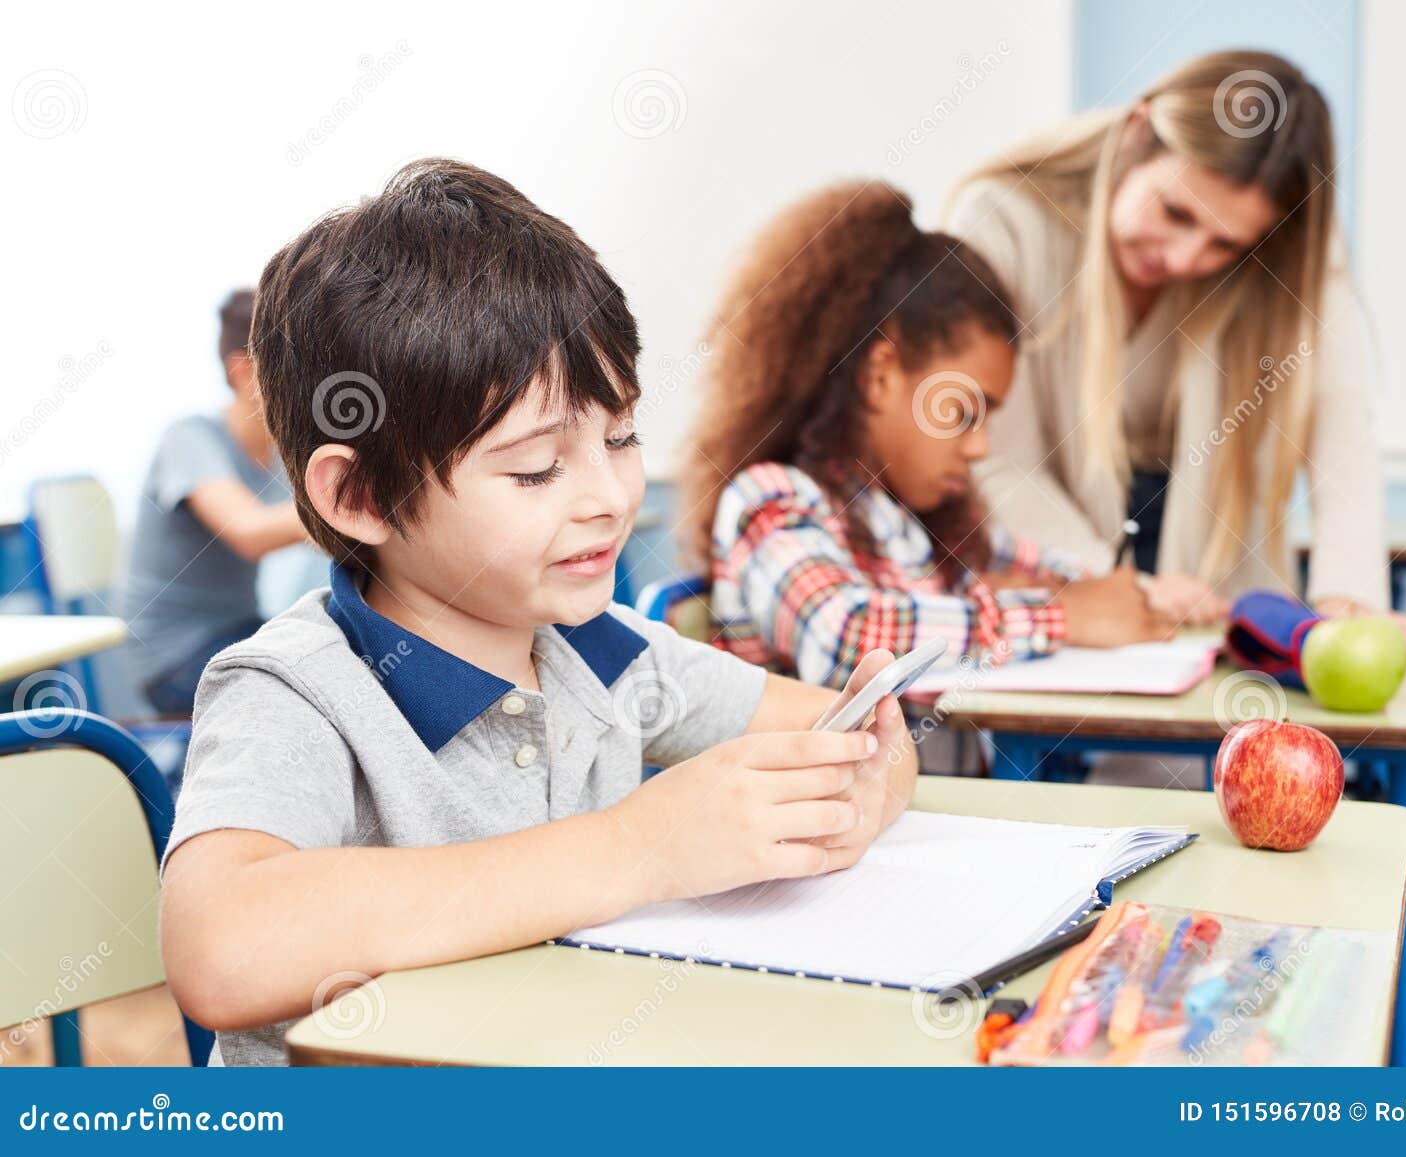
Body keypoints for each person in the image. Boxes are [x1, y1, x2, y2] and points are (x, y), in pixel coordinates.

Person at [158, 159, 917, 1066]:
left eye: (623, 436)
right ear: (357, 494)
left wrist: (859, 794)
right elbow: (223, 947)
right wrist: (637, 847)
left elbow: (842, 729)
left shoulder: (601, 646)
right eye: (535, 469)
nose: (608, 495)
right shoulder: (297, 687)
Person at [945, 49, 1406, 655]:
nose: (1182, 259)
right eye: (1175, 212)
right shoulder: (1002, 220)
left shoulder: (1292, 251)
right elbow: (1000, 460)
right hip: (1049, 542)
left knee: (1211, 731)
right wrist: (1115, 584)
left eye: (1223, 245)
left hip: (1213, 560)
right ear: (1135, 132)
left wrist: (1350, 605)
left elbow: (1341, 435)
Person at [680, 180, 1177, 735]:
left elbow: (1044, 563)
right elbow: (846, 636)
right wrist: (1060, 618)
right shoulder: (771, 500)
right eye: (966, 412)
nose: (981, 446)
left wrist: (1142, 597)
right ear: (882, 375)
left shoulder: (920, 517)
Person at [121, 290, 308, 714]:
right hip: (175, 656)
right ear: (243, 373)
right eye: (293, 362)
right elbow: (250, 533)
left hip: (242, 629)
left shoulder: (282, 451)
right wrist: (355, 505)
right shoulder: (189, 437)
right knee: (313, 684)